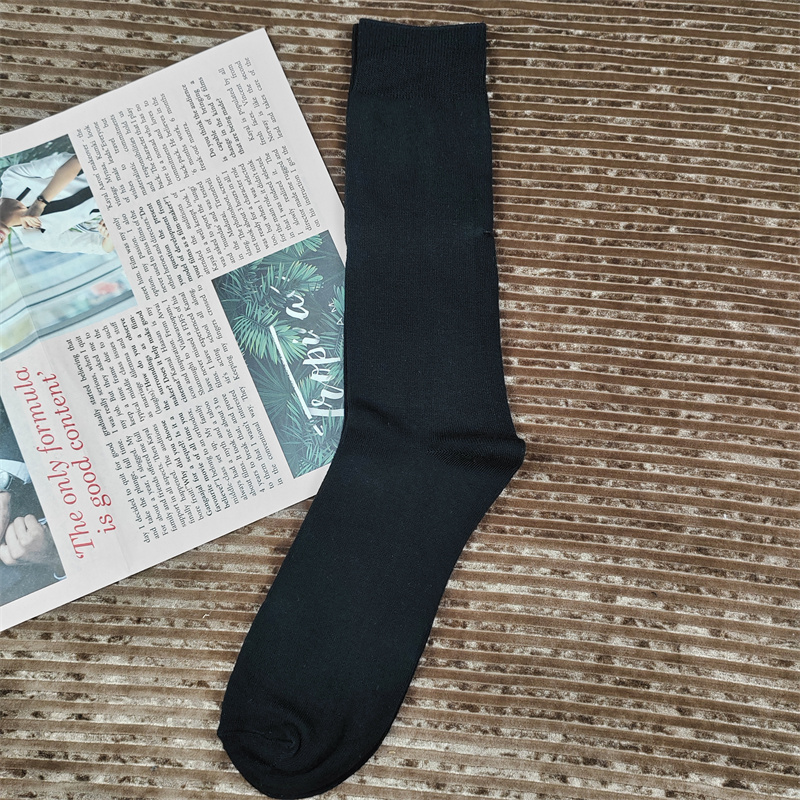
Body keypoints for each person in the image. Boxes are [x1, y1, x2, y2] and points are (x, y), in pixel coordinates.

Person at [0, 151, 114, 254]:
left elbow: (78, 160)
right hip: (117, 201)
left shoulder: (12, 178)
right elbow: (101, 247)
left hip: (108, 165)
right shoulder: (32, 240)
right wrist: (110, 234)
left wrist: (39, 204)